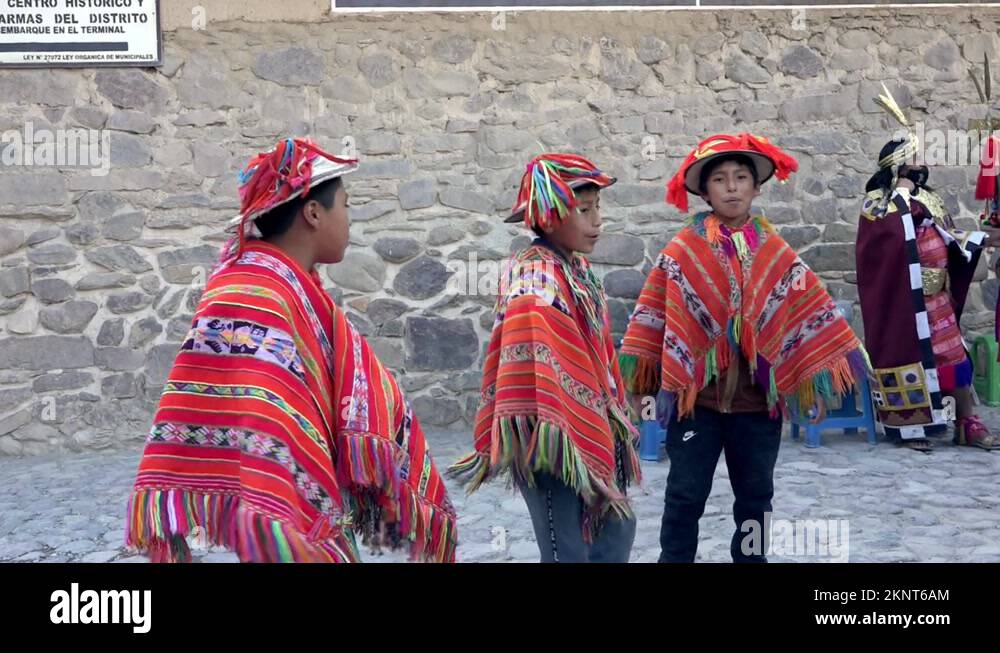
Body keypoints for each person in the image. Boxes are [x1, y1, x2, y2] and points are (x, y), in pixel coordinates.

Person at [125, 137, 457, 562]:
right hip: (280, 511)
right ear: (314, 213)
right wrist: (284, 484)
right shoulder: (255, 291)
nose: (351, 220)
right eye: (347, 205)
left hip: (299, 501)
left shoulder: (293, 286)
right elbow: (264, 415)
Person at [621, 133, 870, 562]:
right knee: (684, 497)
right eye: (720, 179)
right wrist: (644, 389)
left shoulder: (776, 253)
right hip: (696, 405)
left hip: (757, 406)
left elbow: (807, 314)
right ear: (704, 191)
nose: (732, 186)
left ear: (757, 188)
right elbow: (654, 322)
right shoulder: (682, 253)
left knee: (756, 503)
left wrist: (812, 385)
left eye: (741, 177)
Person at [449, 153, 641, 563]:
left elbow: (596, 357)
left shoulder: (579, 272)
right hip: (550, 443)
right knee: (566, 550)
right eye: (584, 210)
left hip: (593, 428)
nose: (597, 221)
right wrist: (575, 444)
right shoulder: (533, 278)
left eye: (598, 208)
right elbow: (531, 372)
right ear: (550, 217)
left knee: (616, 534)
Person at [858, 126, 997, 452]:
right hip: (903, 301)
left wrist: (976, 239)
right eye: (914, 159)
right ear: (897, 165)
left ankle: (966, 422)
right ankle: (910, 428)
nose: (921, 165)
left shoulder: (929, 198)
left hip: (937, 298)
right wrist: (902, 192)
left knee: (954, 356)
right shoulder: (878, 202)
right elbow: (886, 236)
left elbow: (947, 234)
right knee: (908, 357)